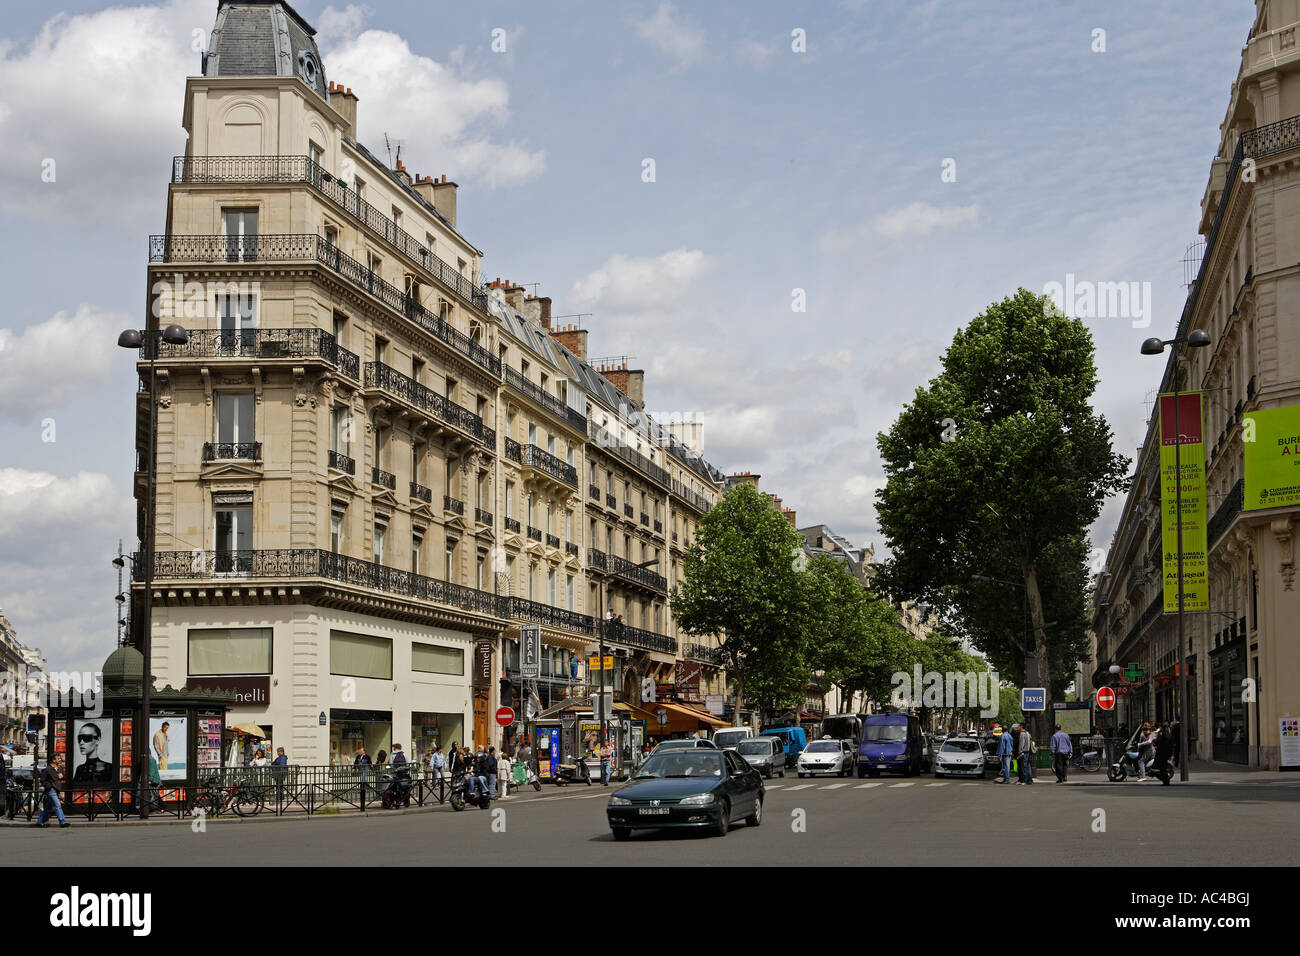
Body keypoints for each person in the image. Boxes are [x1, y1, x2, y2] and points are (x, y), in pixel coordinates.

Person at [35, 756, 69, 828]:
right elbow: (42, 780)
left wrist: (62, 776)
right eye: (58, 759)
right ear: (53, 760)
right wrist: (49, 786)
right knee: (57, 806)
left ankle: (39, 821)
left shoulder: (59, 768)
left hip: (57, 789)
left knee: (48, 808)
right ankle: (62, 822)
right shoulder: (47, 769)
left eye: (60, 758)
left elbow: (63, 778)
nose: (60, 760)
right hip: (51, 790)